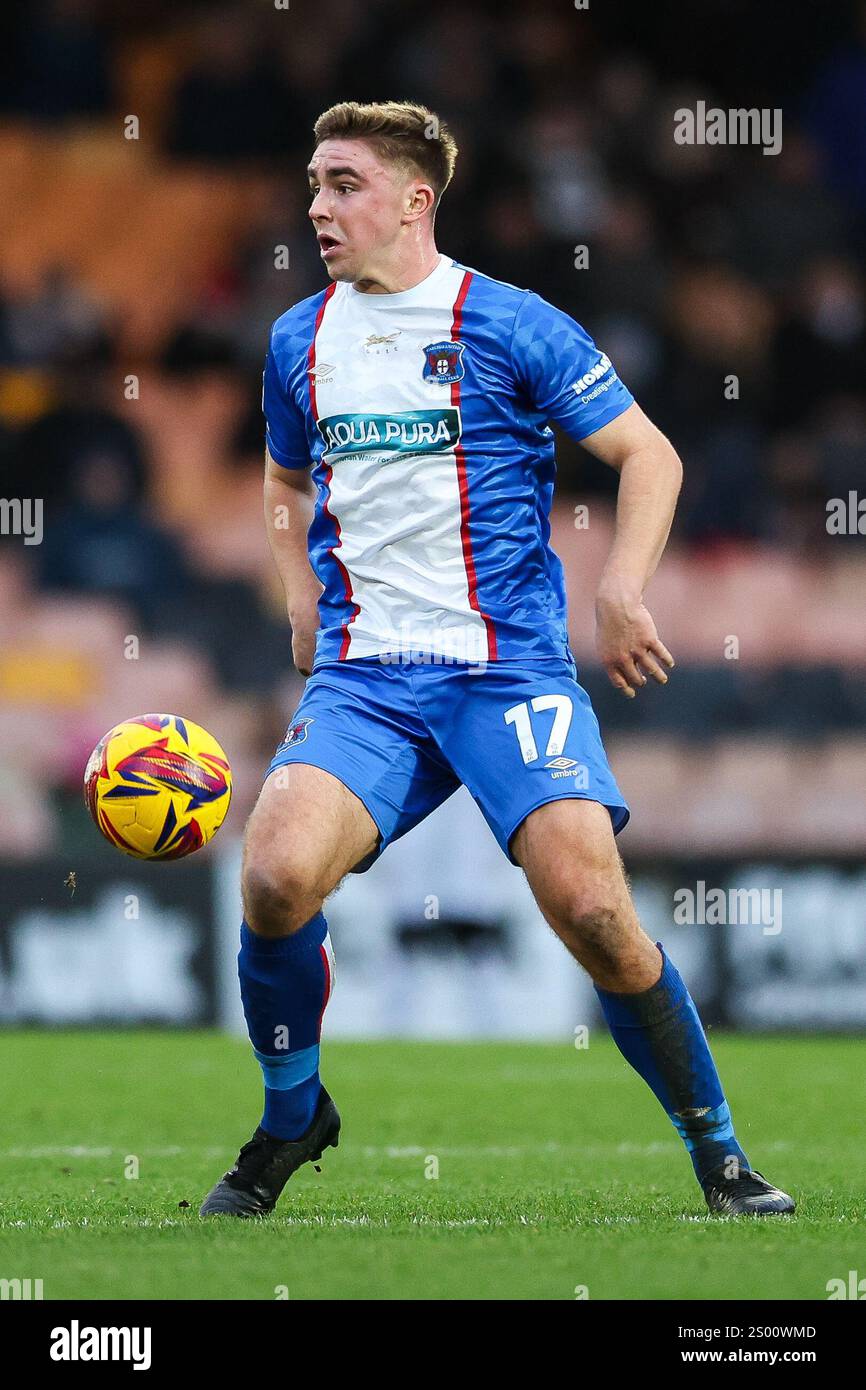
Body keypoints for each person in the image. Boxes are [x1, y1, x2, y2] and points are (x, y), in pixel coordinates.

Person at [200, 101, 793, 1219]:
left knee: (593, 910)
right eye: (313, 185)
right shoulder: (295, 340)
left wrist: (620, 585)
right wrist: (295, 594)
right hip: (368, 680)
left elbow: (646, 452)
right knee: (274, 875)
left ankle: (717, 1152)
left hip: (504, 671)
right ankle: (292, 1119)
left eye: (343, 185)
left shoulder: (509, 322)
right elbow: (284, 485)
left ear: (416, 200)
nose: (317, 207)